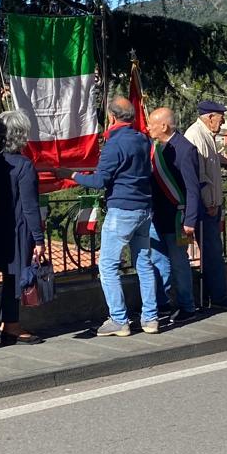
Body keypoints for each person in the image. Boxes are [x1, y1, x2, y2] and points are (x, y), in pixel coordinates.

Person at [67, 97, 160, 336]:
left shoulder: (114, 144)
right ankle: (150, 318)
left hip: (122, 209)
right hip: (144, 207)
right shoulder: (142, 139)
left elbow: (99, 181)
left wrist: (73, 175)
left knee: (107, 265)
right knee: (144, 262)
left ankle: (119, 319)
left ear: (111, 117)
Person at [0, 106, 46, 346]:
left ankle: (7, 322)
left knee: (8, 278)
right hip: (18, 228)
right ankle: (12, 326)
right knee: (16, 278)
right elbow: (31, 207)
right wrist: (38, 240)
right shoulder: (24, 165)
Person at [144, 106, 201, 323]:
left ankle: (188, 306)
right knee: (158, 260)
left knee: (179, 262)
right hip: (157, 215)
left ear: (164, 126)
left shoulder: (185, 149)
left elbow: (193, 188)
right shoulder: (156, 147)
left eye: (151, 124)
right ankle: (163, 304)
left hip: (179, 217)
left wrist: (190, 220)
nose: (148, 127)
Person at [185, 100, 227, 310]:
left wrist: (223, 161)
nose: (223, 121)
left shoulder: (206, 135)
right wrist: (209, 202)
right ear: (209, 117)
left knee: (213, 251)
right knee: (213, 252)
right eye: (220, 117)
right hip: (207, 207)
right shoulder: (196, 135)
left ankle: (213, 295)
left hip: (212, 205)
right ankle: (217, 298)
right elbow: (200, 175)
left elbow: (209, 161)